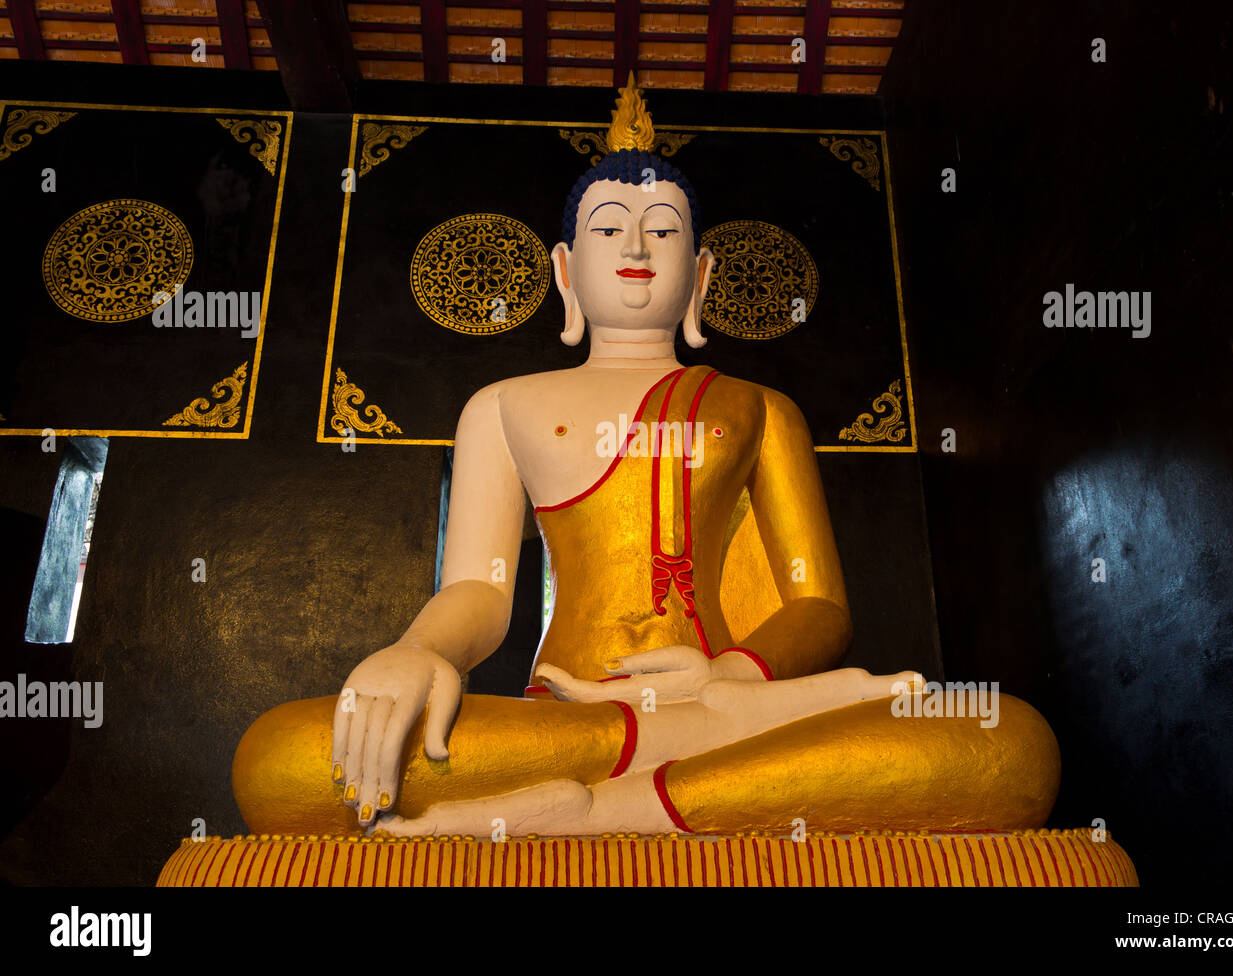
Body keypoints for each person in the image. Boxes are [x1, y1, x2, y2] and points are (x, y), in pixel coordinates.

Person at [232, 78, 1059, 839]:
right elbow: (479, 589)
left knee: (1002, 738)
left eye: (663, 228)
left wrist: (727, 674)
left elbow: (819, 605)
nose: (637, 243)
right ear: (566, 270)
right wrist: (421, 651)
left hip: (731, 709)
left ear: (699, 275)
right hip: (567, 719)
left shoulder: (762, 410)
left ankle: (606, 811)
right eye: (609, 229)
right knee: (289, 760)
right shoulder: (504, 406)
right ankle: (668, 795)